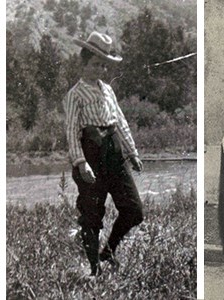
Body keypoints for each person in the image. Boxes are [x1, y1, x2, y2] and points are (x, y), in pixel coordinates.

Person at [64, 31, 144, 276]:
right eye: (95, 64)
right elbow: (71, 131)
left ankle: (108, 252)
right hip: (91, 155)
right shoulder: (74, 95)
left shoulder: (108, 91)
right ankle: (94, 269)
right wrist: (80, 163)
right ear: (84, 63)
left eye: (103, 65)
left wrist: (132, 152)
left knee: (134, 210)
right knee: (92, 215)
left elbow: (120, 122)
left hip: (114, 152)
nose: (99, 69)